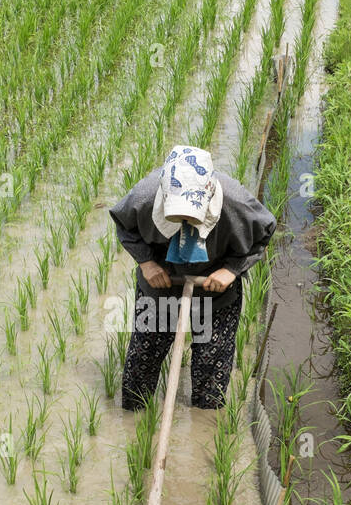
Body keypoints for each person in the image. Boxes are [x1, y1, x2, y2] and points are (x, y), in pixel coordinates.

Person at [109, 144, 276, 411]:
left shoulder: (236, 202)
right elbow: (123, 225)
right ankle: (134, 416)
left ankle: (204, 425)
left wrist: (232, 269)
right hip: (160, 284)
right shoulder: (145, 196)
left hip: (214, 289)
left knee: (212, 367)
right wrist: (147, 262)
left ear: (209, 192)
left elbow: (264, 232)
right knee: (142, 360)